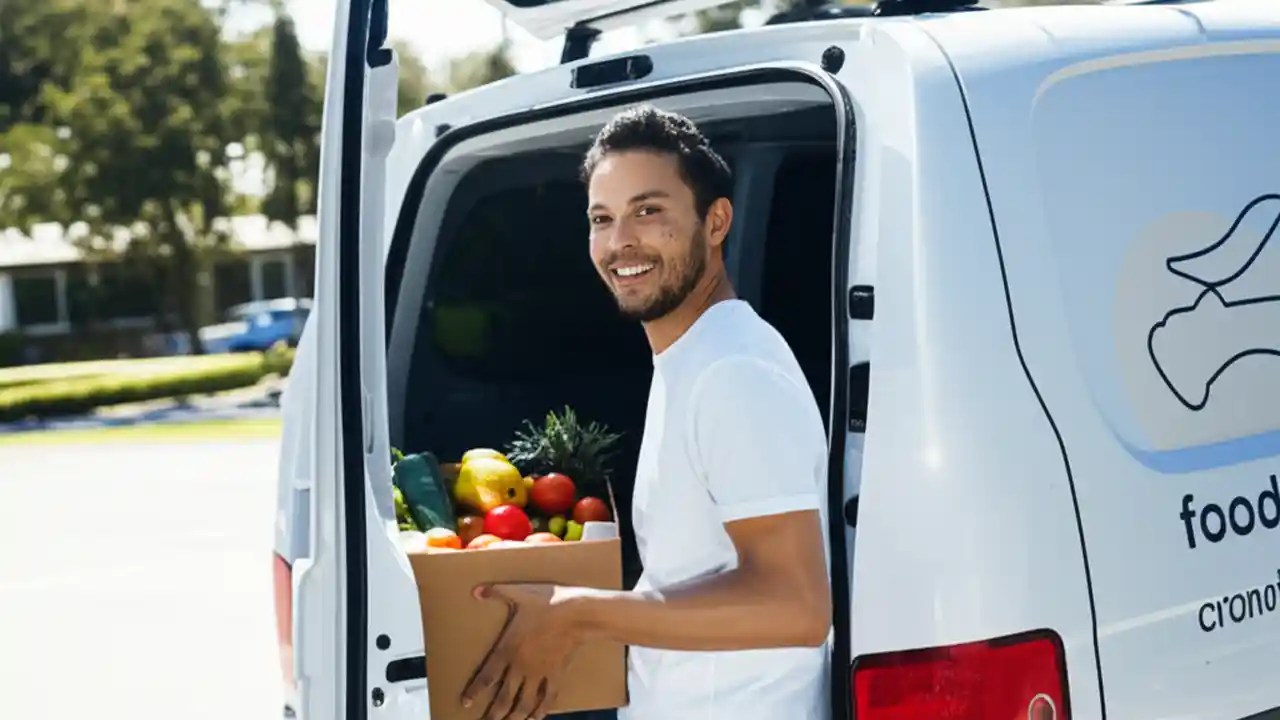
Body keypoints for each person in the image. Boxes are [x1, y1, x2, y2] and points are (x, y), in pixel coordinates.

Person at [461, 105, 833, 720]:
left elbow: (797, 605)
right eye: (601, 218)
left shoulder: (732, 372)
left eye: (648, 211)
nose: (620, 241)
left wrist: (578, 614)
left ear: (715, 222)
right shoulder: (692, 357)